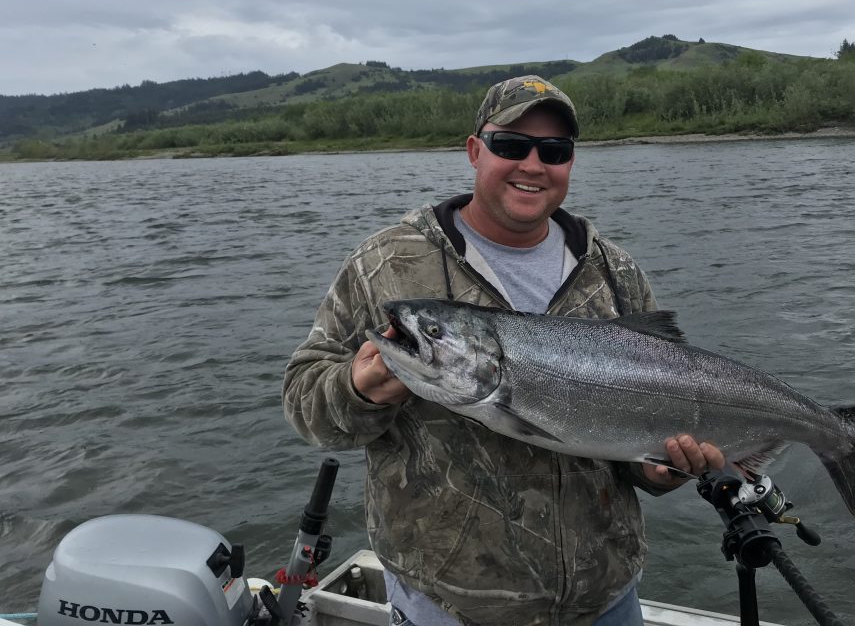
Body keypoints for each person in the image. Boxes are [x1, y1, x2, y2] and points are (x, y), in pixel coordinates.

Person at [283, 75, 725, 626]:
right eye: (511, 146)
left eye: (554, 151)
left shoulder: (615, 272)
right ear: (474, 151)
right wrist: (356, 389)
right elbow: (306, 406)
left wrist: (663, 468)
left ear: (569, 162)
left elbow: (633, 453)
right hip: (448, 602)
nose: (532, 165)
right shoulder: (387, 263)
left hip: (604, 595)